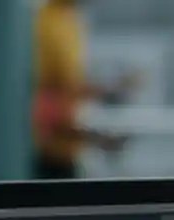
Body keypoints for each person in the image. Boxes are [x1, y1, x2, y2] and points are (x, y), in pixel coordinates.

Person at [32, 0, 131, 179]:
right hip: (48, 156)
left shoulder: (70, 20)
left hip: (64, 151)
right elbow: (57, 95)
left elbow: (70, 85)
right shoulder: (47, 21)